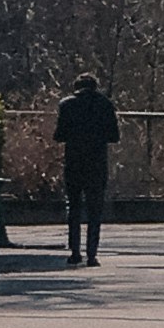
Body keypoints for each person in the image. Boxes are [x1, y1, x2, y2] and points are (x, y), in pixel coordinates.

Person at [53, 73, 116, 267]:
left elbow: (59, 135)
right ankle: (92, 254)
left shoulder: (66, 105)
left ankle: (74, 251)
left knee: (74, 208)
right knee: (95, 209)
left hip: (74, 162)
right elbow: (114, 136)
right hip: (97, 162)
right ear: (95, 86)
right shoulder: (105, 104)